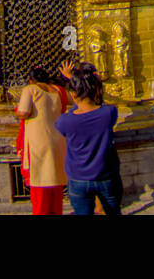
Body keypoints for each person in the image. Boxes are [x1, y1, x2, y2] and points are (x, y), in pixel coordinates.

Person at [55, 61, 122, 215]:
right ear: (96, 90)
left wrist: (71, 79)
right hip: (106, 176)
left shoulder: (64, 121)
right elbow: (100, 103)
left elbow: (75, 113)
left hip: (78, 178)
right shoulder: (109, 113)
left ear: (73, 95)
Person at [14, 65, 68, 215]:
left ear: (31, 79)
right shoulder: (58, 91)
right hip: (58, 140)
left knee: (39, 184)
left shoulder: (30, 90)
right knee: (55, 182)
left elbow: (24, 112)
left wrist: (16, 111)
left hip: (38, 142)